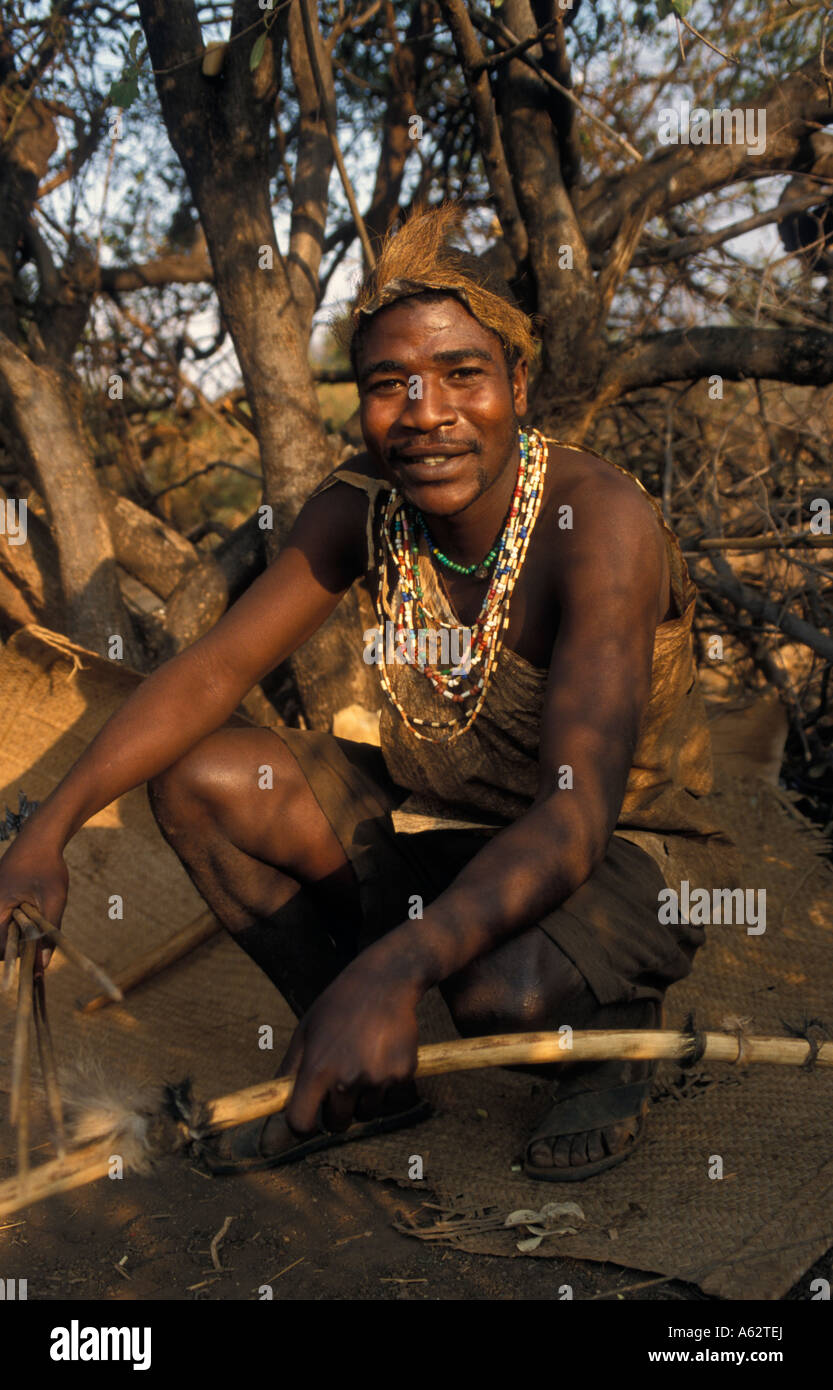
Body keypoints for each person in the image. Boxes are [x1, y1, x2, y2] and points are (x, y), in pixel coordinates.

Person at [0, 205, 720, 1181]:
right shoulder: (360, 510)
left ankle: (611, 1036)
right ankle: (356, 1077)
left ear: (517, 383)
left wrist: (390, 966)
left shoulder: (595, 526)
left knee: (494, 982)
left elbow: (575, 816)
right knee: (202, 779)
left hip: (606, 844)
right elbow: (212, 671)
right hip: (443, 814)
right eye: (390, 384)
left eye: (461, 374)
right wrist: (48, 831)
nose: (425, 411)